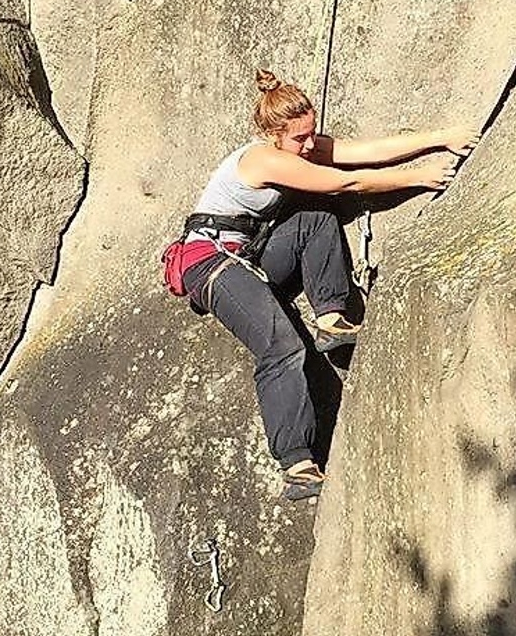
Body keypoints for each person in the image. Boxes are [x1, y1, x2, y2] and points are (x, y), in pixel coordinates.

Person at [181, 69, 475, 501]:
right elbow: (346, 181)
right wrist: (419, 177)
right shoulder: (264, 159)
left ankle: (332, 320)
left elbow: (366, 152)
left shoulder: (296, 146)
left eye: (311, 133)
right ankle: (297, 465)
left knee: (315, 217)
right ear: (273, 134)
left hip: (248, 259)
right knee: (282, 346)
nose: (308, 145)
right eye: (299, 138)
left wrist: (442, 137)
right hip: (210, 266)